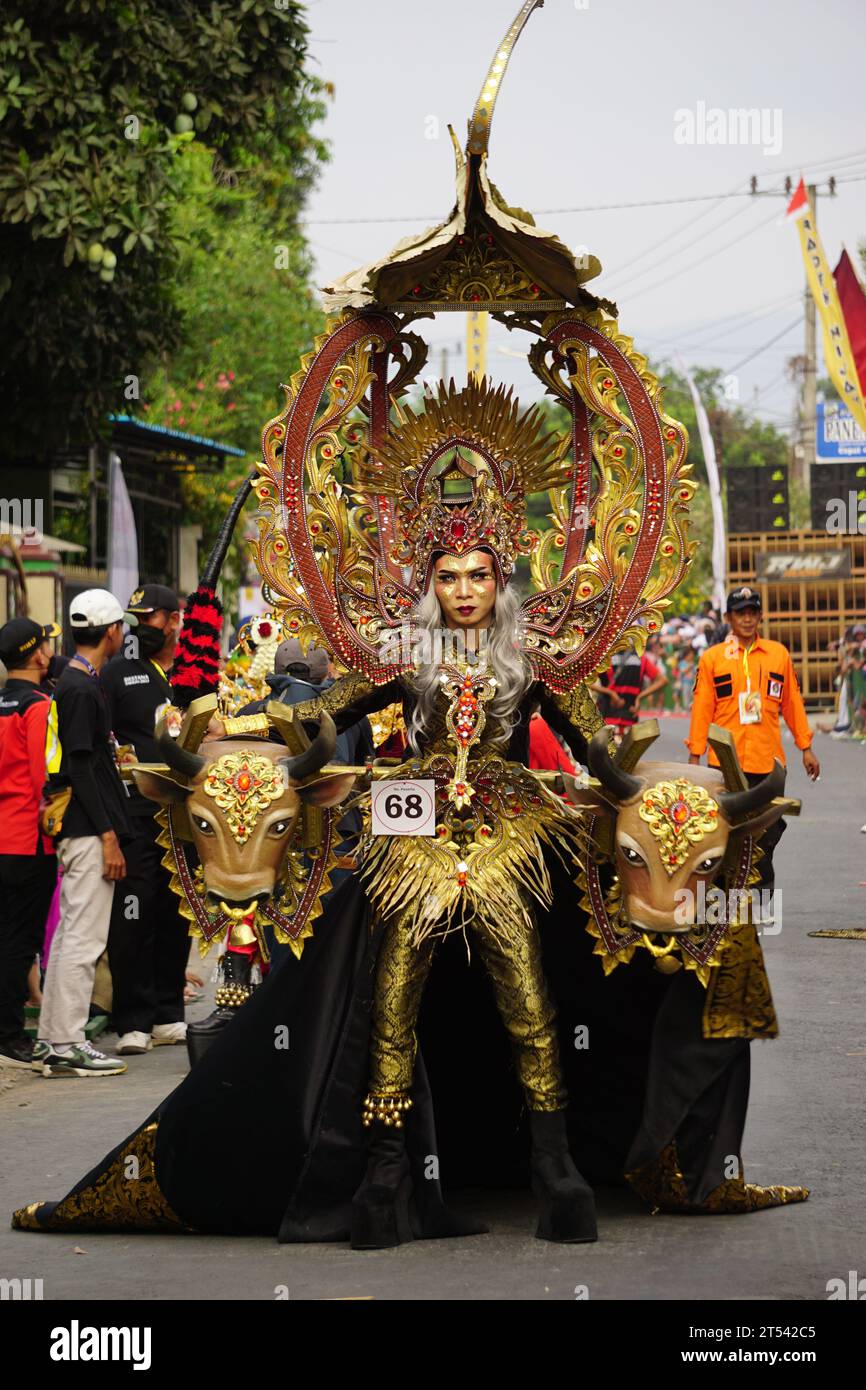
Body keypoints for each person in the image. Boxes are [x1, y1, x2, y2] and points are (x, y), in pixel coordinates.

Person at [35, 590, 136, 1077]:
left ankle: (55, 1039)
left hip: (81, 829)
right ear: (112, 631)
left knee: (71, 938)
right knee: (83, 940)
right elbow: (78, 766)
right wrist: (108, 835)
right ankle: (68, 1041)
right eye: (122, 627)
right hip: (86, 830)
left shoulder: (78, 682)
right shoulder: (77, 688)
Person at [686, 585, 820, 910]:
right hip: (724, 763)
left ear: (760, 616)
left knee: (768, 832)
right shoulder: (713, 659)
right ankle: (721, 900)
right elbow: (703, 707)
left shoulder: (778, 655)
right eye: (740, 612)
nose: (747, 618)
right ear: (729, 617)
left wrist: (806, 747)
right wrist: (695, 756)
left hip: (768, 764)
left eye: (752, 612)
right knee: (721, 833)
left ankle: (761, 903)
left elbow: (792, 703)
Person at [101, 584, 188, 1055]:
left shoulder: (196, 676)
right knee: (133, 913)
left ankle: (167, 1011)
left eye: (150, 619)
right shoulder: (118, 674)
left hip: (186, 812)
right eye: (135, 620)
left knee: (177, 910)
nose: (141, 629)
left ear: (174, 621)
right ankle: (131, 1018)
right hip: (136, 811)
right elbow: (102, 742)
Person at [0, 617, 60, 1067]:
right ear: (37, 655)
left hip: (4, 835)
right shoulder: (37, 706)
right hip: (27, 839)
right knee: (21, 941)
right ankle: (9, 1033)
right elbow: (45, 777)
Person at [591, 643, 667, 741]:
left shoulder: (605, 656)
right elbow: (662, 680)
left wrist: (611, 693)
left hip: (608, 714)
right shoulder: (641, 658)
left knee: (606, 751)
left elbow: (586, 681)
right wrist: (639, 697)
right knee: (627, 753)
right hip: (630, 715)